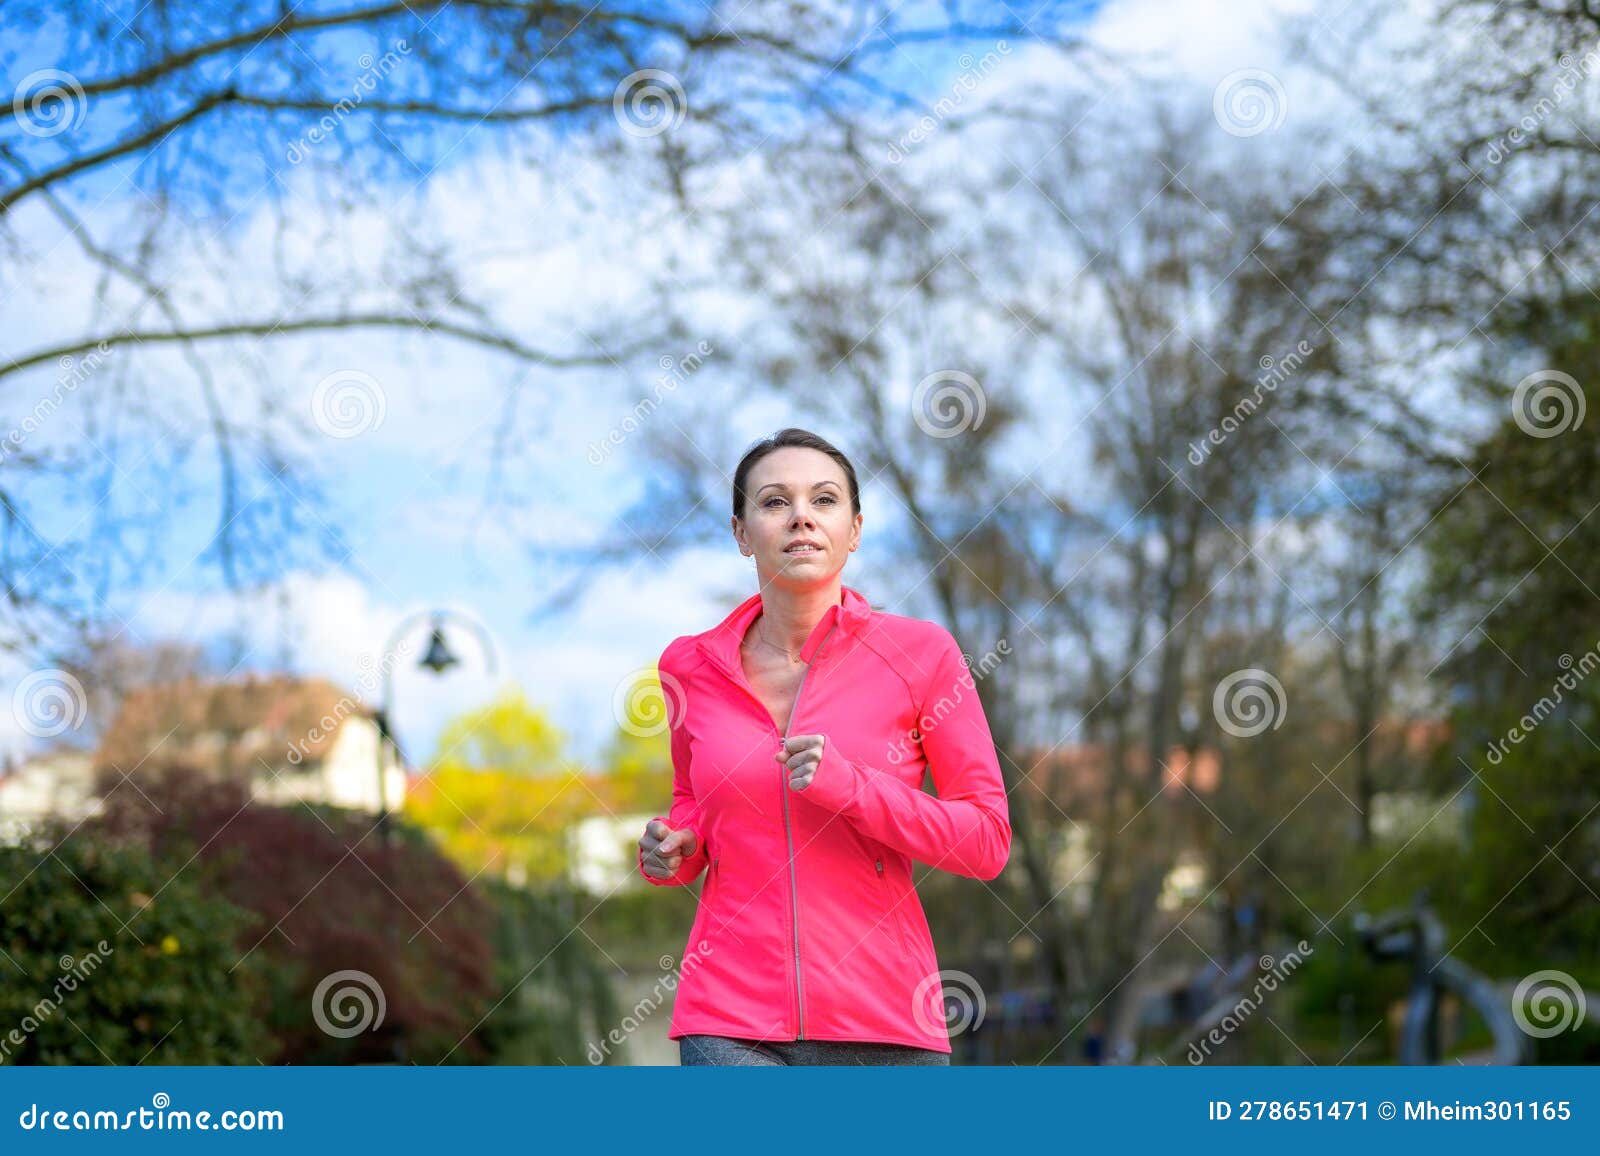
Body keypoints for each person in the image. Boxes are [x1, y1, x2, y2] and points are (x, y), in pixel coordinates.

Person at [636, 427, 1012, 1066]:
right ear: (741, 532)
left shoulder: (920, 655)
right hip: (730, 1016)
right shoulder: (688, 665)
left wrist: (854, 787)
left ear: (855, 530)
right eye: (775, 501)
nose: (801, 516)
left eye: (825, 500)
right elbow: (690, 799)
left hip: (885, 1021)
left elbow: (986, 841)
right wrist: (677, 845)